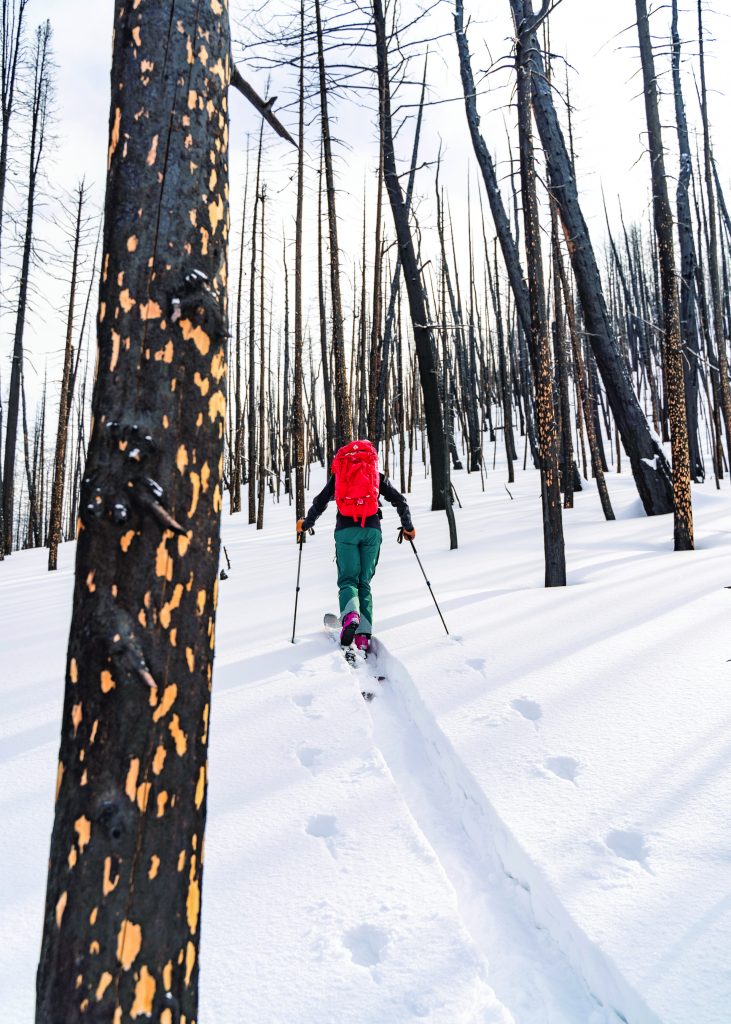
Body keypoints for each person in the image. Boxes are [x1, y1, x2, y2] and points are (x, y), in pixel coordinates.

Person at [297, 439, 415, 652]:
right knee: (364, 583)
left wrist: (306, 524)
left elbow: (320, 501)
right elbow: (400, 501)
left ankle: (351, 615)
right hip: (371, 530)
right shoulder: (375, 477)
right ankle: (362, 636)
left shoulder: (340, 476)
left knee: (348, 580)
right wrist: (408, 527)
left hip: (345, 530)